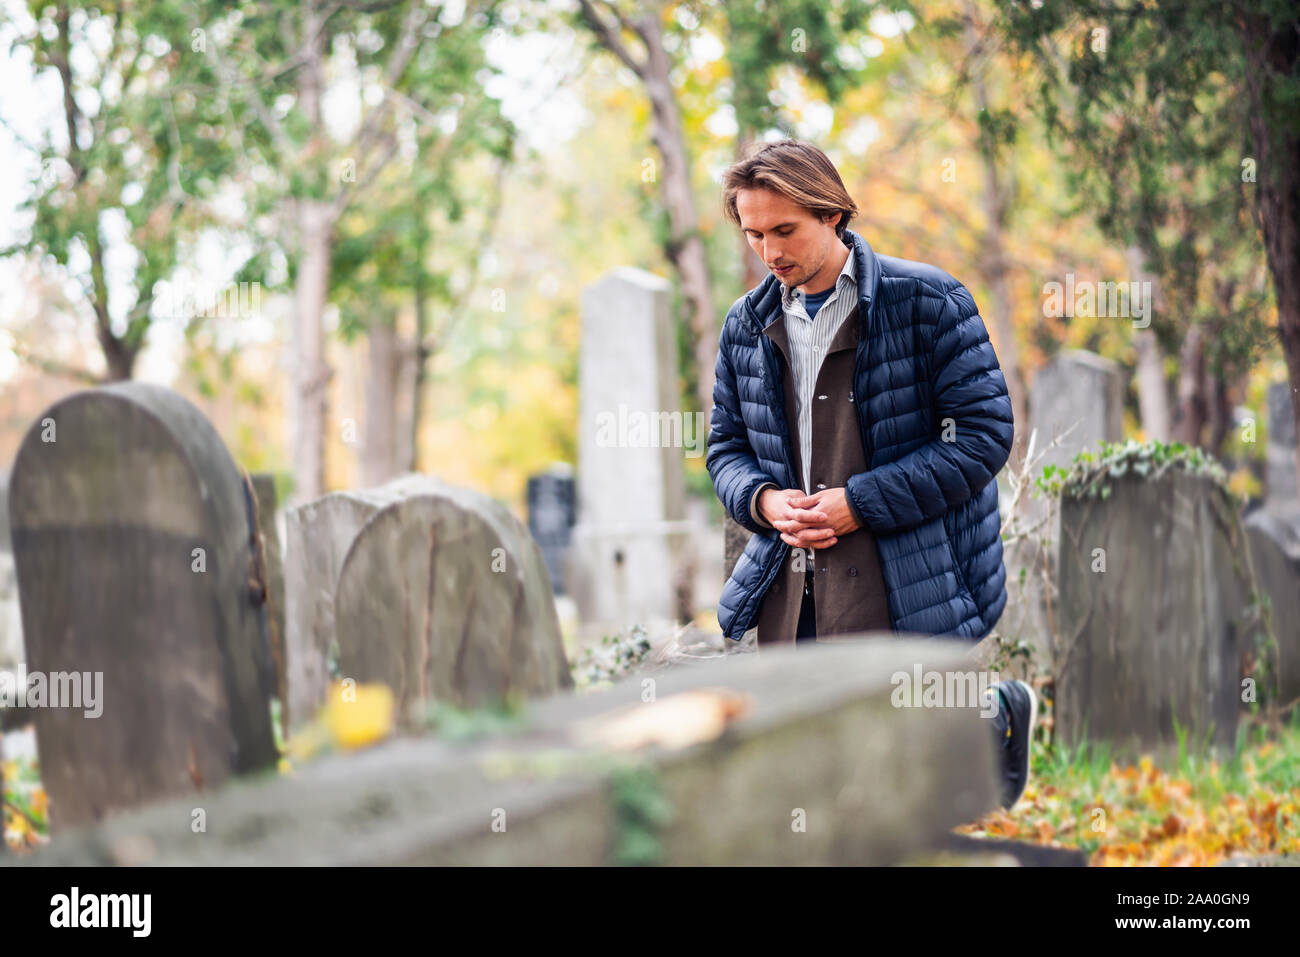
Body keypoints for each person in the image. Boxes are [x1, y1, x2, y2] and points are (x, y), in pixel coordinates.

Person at [706, 139, 1036, 808]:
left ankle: (992, 712)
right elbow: (724, 447)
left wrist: (859, 502)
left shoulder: (930, 301)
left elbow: (983, 436)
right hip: (789, 562)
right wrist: (764, 501)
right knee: (812, 752)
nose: (769, 252)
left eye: (784, 230)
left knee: (902, 749)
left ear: (832, 214)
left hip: (903, 557)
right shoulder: (744, 325)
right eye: (753, 234)